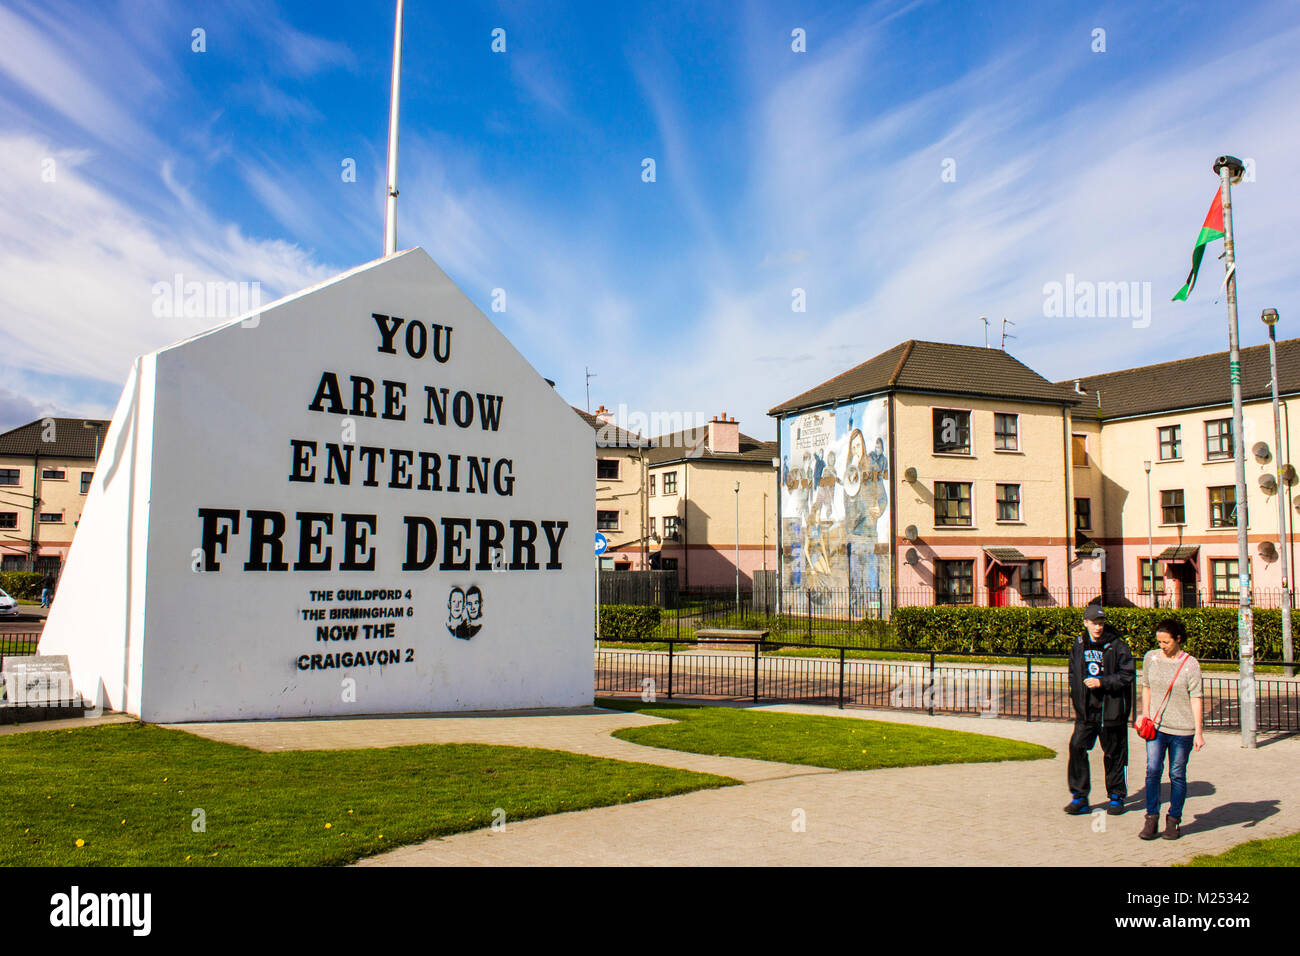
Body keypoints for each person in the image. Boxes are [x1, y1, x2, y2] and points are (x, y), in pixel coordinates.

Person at [1137, 619, 1204, 841]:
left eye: (1166, 642)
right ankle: (1151, 818)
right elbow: (1146, 686)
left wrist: (1199, 732)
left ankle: (1173, 820)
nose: (1162, 646)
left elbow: (1196, 698)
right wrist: (1144, 714)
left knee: (1176, 774)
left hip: (1182, 730)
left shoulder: (1190, 664)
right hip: (1156, 727)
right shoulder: (1151, 658)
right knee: (1153, 770)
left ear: (1178, 639)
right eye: (1159, 641)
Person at [1065, 605, 1135, 815]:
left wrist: (1102, 683)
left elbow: (1127, 675)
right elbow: (1072, 673)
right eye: (1094, 623)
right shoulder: (1079, 645)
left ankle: (1116, 796)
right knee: (1077, 747)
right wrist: (1076, 696)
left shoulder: (1117, 646)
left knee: (1114, 753)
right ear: (1086, 622)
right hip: (1087, 711)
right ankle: (1080, 797)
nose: (1098, 627)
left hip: (1110, 710)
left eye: (1101, 623)